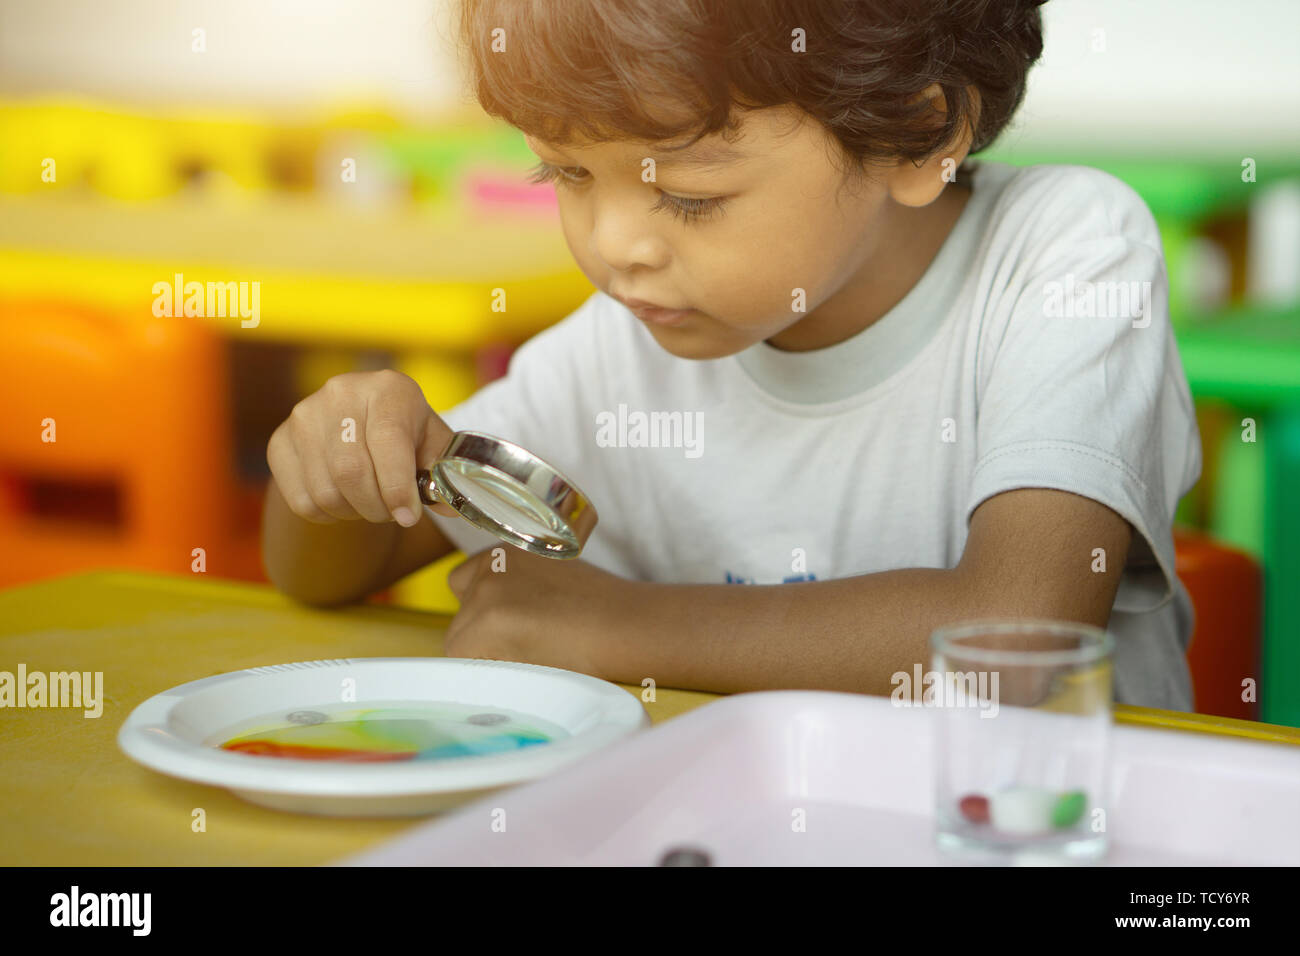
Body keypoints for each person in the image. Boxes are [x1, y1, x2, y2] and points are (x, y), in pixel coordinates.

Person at [262, 0, 1201, 710]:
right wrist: (340, 458)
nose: (615, 245)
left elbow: (1014, 641)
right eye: (568, 173)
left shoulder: (1064, 254)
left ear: (919, 134)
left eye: (692, 195)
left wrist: (620, 628)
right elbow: (325, 570)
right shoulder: (623, 350)